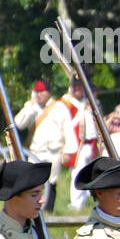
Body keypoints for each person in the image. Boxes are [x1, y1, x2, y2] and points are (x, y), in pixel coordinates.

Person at [15, 79, 75, 210]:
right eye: (37, 92)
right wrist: (30, 105)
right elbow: (19, 124)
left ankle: (48, 210)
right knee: (32, 182)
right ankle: (32, 208)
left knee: (51, 182)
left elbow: (68, 129)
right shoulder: (31, 107)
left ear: (48, 92)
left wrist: (68, 151)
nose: (39, 94)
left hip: (54, 151)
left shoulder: (59, 107)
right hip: (35, 151)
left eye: (42, 91)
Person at [65, 78, 101, 212]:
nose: (77, 89)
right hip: (77, 145)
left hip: (91, 145)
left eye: (80, 86)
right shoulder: (68, 104)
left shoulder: (89, 103)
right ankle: (76, 204)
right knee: (77, 174)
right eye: (75, 86)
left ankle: (85, 201)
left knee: (90, 174)